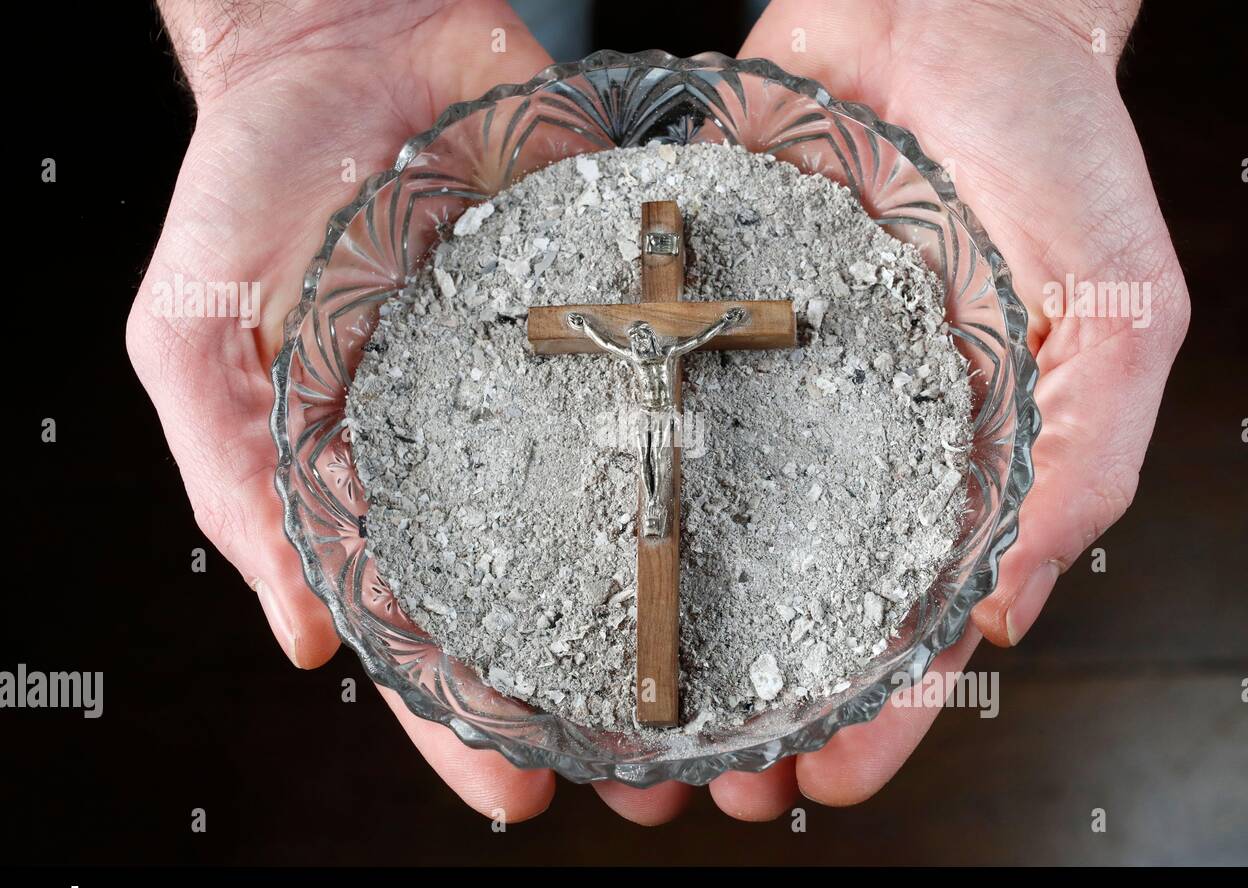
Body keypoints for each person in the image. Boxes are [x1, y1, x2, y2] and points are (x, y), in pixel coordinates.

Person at [128, 0, 1190, 825]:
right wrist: (300, 24)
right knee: (650, 502)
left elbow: (741, 318)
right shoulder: (602, 323)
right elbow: (567, 325)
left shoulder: (702, 317)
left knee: (662, 502)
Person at [567, 308, 748, 536]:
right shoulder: (635, 358)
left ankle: (654, 502)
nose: (638, 343)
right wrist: (585, 326)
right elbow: (607, 343)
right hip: (646, 412)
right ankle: (651, 499)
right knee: (644, 458)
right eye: (634, 339)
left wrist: (723, 322)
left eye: (641, 337)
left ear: (651, 337)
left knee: (658, 456)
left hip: (663, 412)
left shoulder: (667, 354)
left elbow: (698, 339)